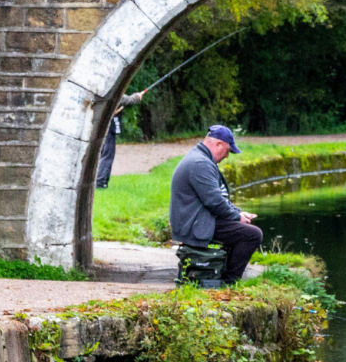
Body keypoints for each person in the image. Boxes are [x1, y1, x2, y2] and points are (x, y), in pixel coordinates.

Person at [170, 126, 262, 283]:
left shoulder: (200, 158)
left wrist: (239, 213)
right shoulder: (200, 163)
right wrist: (236, 216)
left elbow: (218, 198)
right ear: (218, 144)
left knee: (244, 230)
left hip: (199, 219)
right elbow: (214, 202)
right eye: (227, 151)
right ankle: (229, 282)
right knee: (253, 235)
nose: (227, 156)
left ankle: (221, 276)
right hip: (194, 225)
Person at [96, 90, 148, 188]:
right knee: (107, 154)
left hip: (98, 124)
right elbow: (120, 97)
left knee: (102, 152)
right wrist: (136, 97)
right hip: (106, 125)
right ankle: (100, 182)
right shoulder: (107, 88)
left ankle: (99, 180)